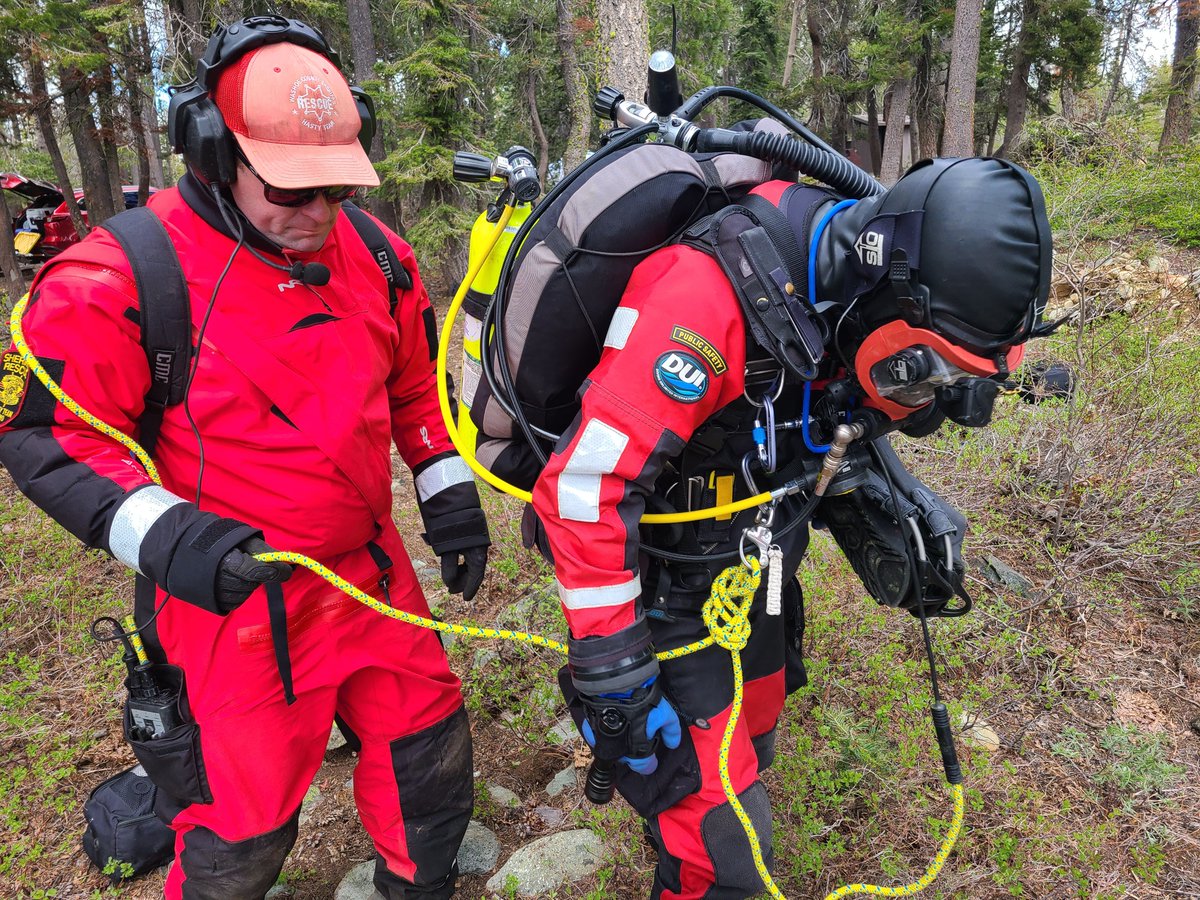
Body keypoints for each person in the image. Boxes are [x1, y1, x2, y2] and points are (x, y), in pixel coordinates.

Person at [0, 16, 488, 900]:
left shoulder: (380, 258)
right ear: (215, 153)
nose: (319, 214)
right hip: (229, 603)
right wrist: (169, 538)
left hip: (370, 575)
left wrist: (446, 491)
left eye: (335, 188)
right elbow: (47, 436)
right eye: (292, 190)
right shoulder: (118, 277)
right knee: (241, 825)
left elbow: (416, 388)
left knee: (429, 762)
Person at [525, 158, 1051, 898]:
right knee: (726, 853)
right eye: (927, 368)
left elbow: (832, 410)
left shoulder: (843, 293)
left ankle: (683, 823)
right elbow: (583, 490)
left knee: (759, 728)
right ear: (883, 288)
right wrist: (612, 666)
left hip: (758, 567)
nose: (926, 396)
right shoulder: (702, 300)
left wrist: (891, 498)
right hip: (666, 591)